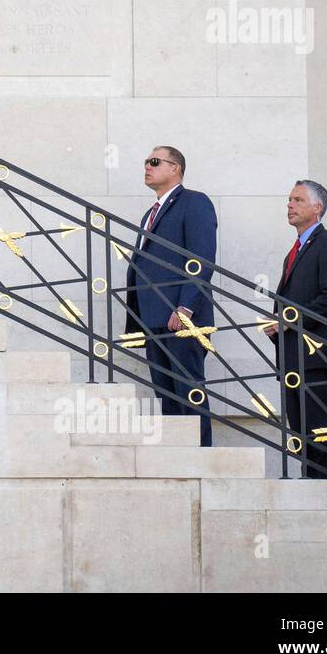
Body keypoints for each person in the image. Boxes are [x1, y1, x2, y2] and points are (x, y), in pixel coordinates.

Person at [263, 180, 327, 510]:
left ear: (318, 208)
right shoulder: (295, 250)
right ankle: (317, 498)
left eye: (298, 200)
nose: (290, 205)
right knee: (303, 434)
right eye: (289, 199)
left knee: (324, 433)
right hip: (291, 359)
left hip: (316, 358)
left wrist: (287, 320)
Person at [125, 146, 218, 447]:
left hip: (181, 318)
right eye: (145, 162)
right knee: (166, 397)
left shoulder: (194, 203)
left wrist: (185, 307)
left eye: (154, 162)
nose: (147, 167)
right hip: (154, 319)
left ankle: (201, 458)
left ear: (175, 168)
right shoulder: (149, 214)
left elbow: (201, 258)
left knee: (188, 391)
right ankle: (179, 458)